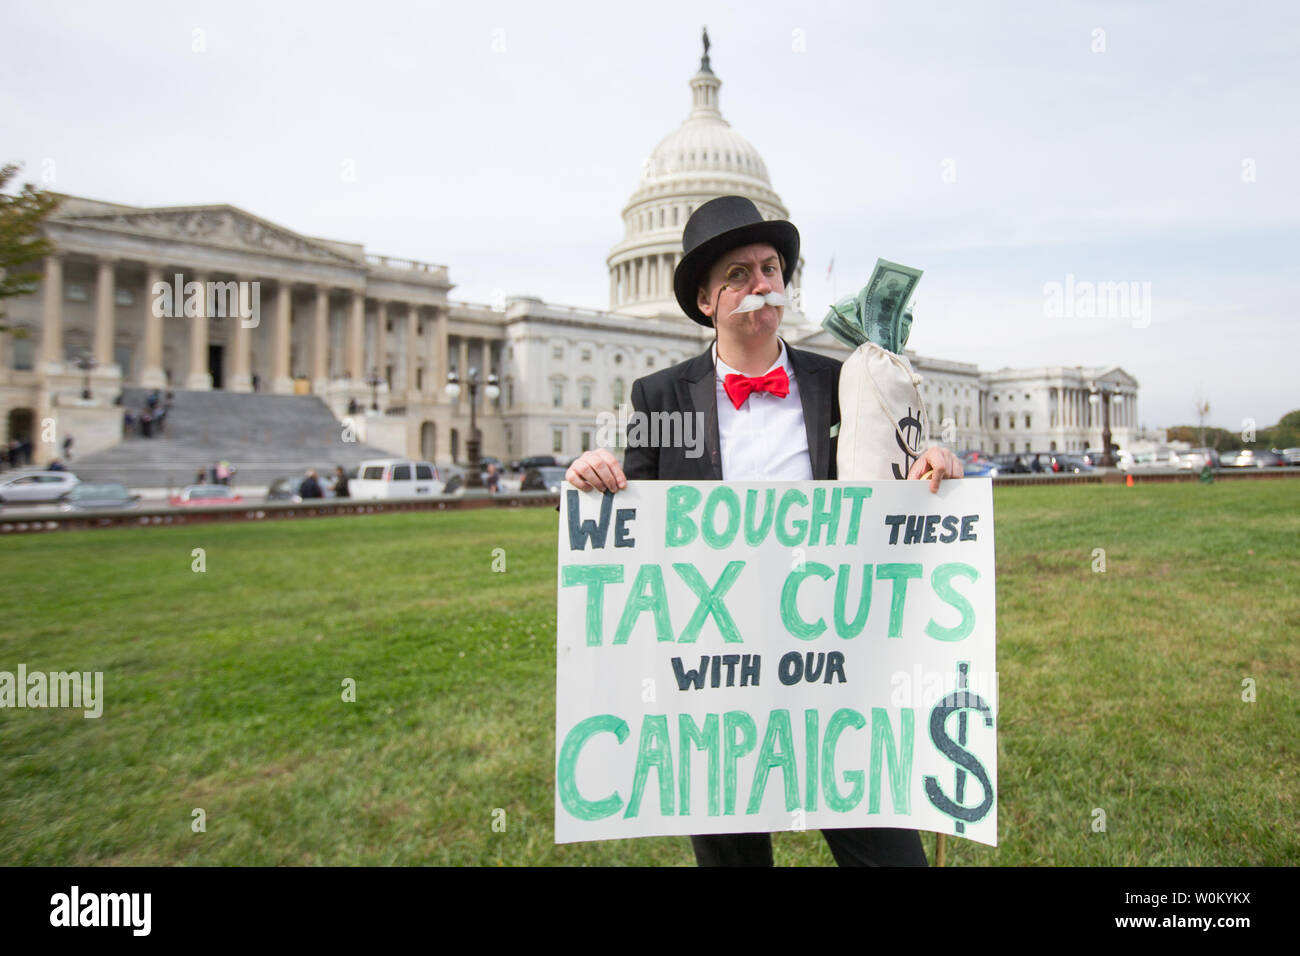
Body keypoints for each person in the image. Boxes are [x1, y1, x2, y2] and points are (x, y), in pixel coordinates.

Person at [564, 195, 962, 868]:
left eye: (771, 269)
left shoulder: (841, 382)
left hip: (831, 655)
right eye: (739, 275)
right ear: (705, 300)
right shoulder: (661, 398)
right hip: (714, 673)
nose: (761, 287)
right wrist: (589, 479)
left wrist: (931, 468)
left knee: (888, 856)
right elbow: (628, 517)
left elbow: (885, 491)